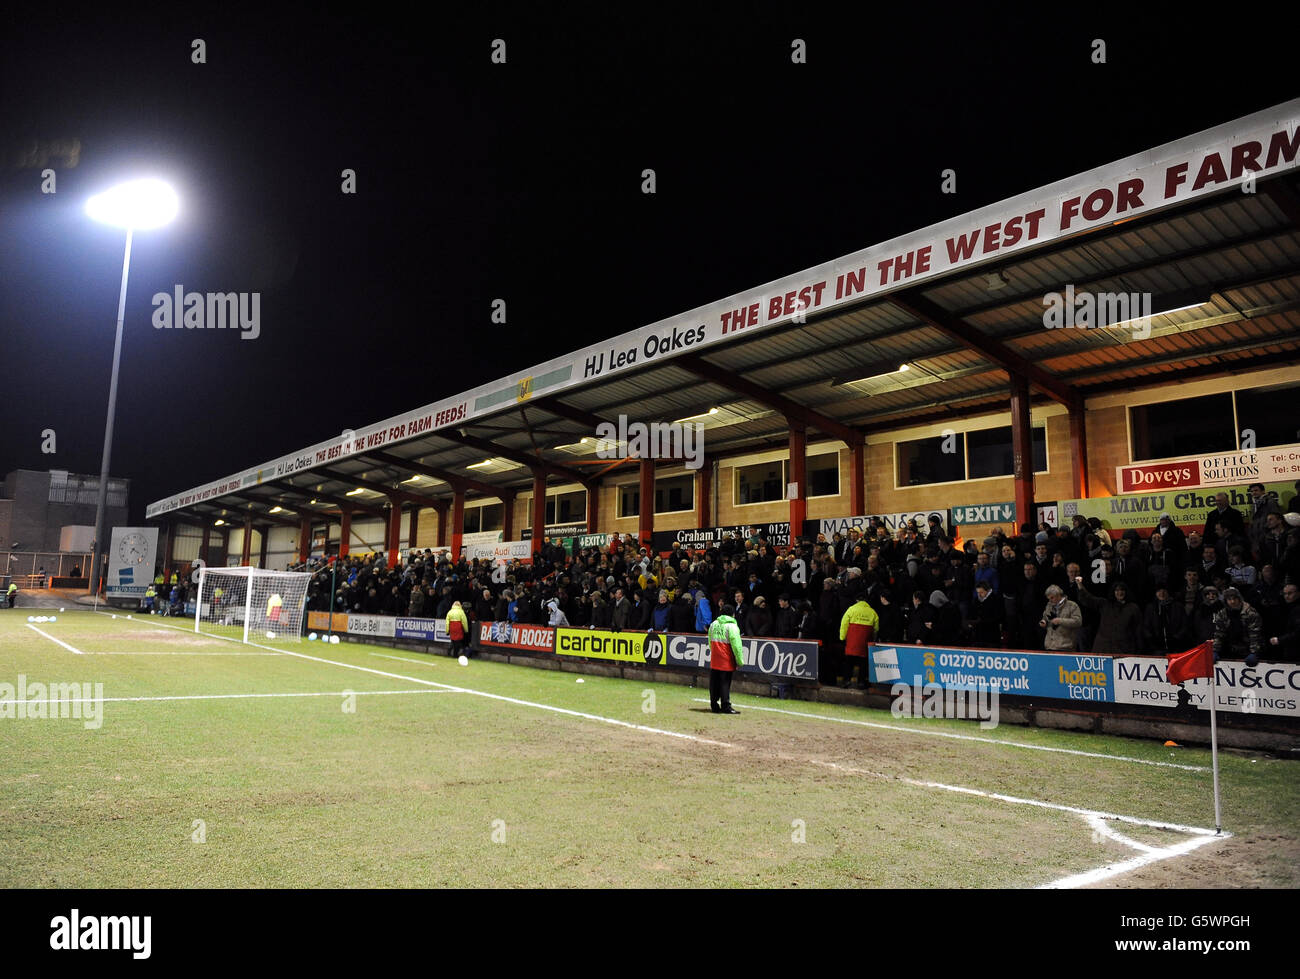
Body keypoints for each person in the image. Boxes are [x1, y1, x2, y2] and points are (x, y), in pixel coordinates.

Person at [707, 604, 744, 714]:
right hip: (726, 660)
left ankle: (714, 705)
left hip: (715, 659)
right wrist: (739, 660)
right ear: (733, 614)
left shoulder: (713, 624)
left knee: (714, 683)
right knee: (725, 683)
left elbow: (710, 641)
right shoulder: (732, 627)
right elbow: (737, 646)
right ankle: (726, 706)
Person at [838, 592, 880, 688]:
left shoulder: (851, 609)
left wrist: (842, 637)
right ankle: (861, 682)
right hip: (865, 642)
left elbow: (844, 625)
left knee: (849, 662)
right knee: (863, 663)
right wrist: (873, 639)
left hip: (852, 642)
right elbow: (876, 629)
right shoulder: (872, 612)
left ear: (857, 600)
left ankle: (847, 681)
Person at [1213, 587, 1263, 666]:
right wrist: (1215, 650)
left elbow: (1255, 634)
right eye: (1229, 599)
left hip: (1247, 650)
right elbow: (1219, 633)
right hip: (1230, 648)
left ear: (1239, 598)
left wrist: (1254, 652)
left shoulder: (1250, 613)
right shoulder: (1222, 614)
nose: (1232, 602)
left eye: (1234, 599)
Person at [1039, 585, 1082, 651]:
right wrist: (1044, 622)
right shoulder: (1049, 605)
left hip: (1066, 646)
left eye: (1052, 598)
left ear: (1058, 595)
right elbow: (1045, 618)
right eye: (1049, 598)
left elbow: (1078, 622)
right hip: (1050, 646)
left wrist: (1060, 621)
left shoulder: (1072, 605)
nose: (1050, 600)